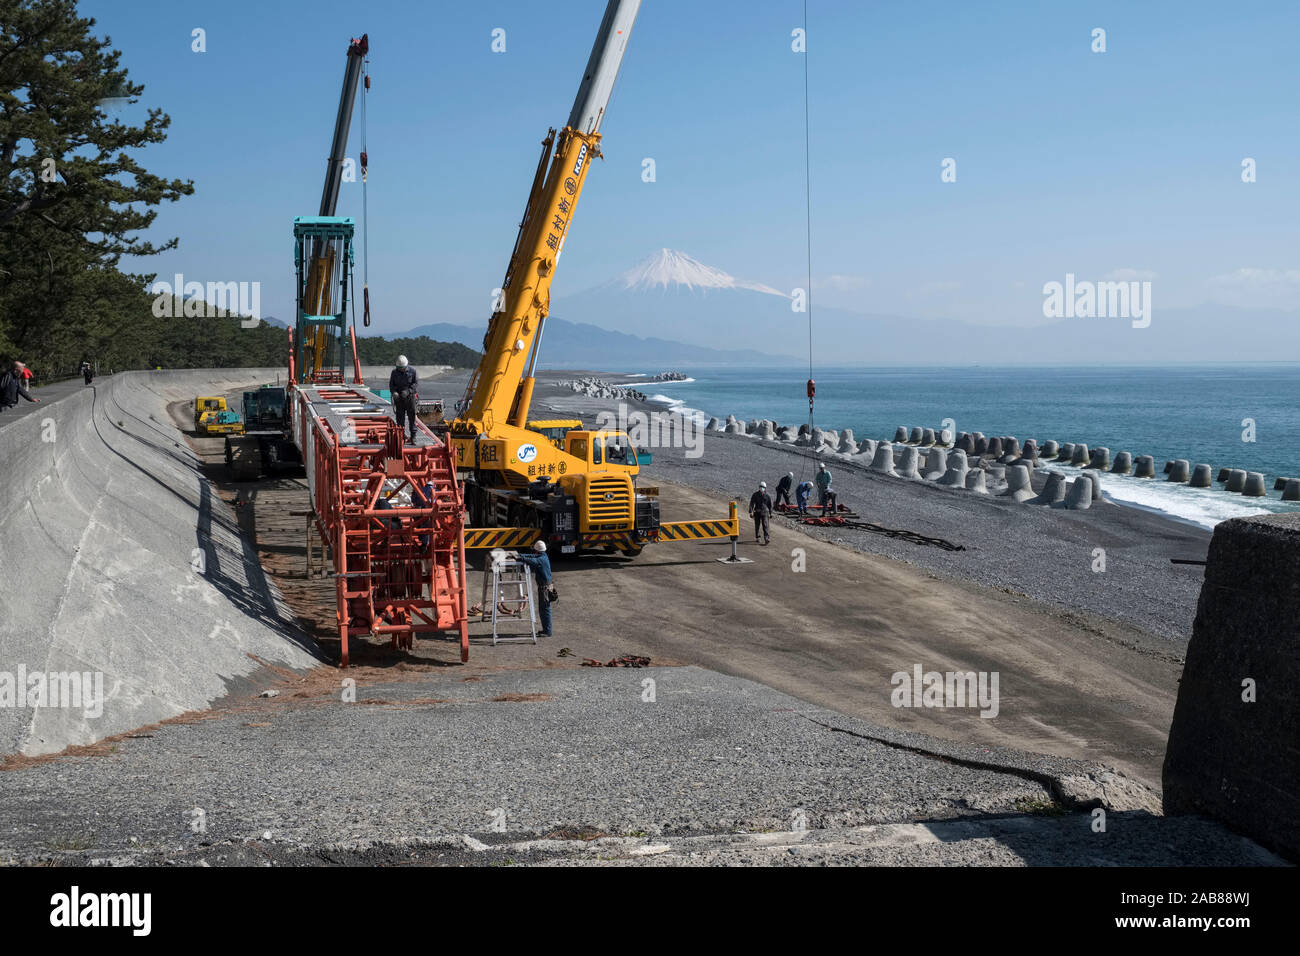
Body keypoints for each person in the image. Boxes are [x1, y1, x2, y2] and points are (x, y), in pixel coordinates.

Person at [513, 539, 553, 637]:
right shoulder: (543, 556)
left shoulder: (540, 559)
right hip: (547, 585)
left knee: (544, 609)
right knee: (545, 608)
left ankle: (547, 631)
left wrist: (519, 558)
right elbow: (532, 556)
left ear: (536, 550)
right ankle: (546, 630)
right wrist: (520, 555)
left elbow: (531, 560)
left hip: (544, 587)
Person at [388, 355, 418, 444]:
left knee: (412, 417)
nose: (401, 370)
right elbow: (391, 385)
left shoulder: (413, 371)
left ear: (406, 366)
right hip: (399, 399)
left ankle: (413, 437)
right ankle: (401, 436)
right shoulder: (394, 372)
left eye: (402, 368)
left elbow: (415, 384)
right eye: (399, 368)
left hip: (409, 398)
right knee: (400, 418)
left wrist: (408, 391)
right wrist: (394, 392)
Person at [748, 481, 773, 545]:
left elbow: (770, 505)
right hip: (757, 512)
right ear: (759, 487)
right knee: (757, 525)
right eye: (761, 487)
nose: (762, 488)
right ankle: (758, 537)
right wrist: (751, 512)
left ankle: (766, 538)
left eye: (763, 487)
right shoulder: (755, 495)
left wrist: (771, 513)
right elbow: (752, 503)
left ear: (765, 488)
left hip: (765, 512)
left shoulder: (767, 496)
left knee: (765, 525)